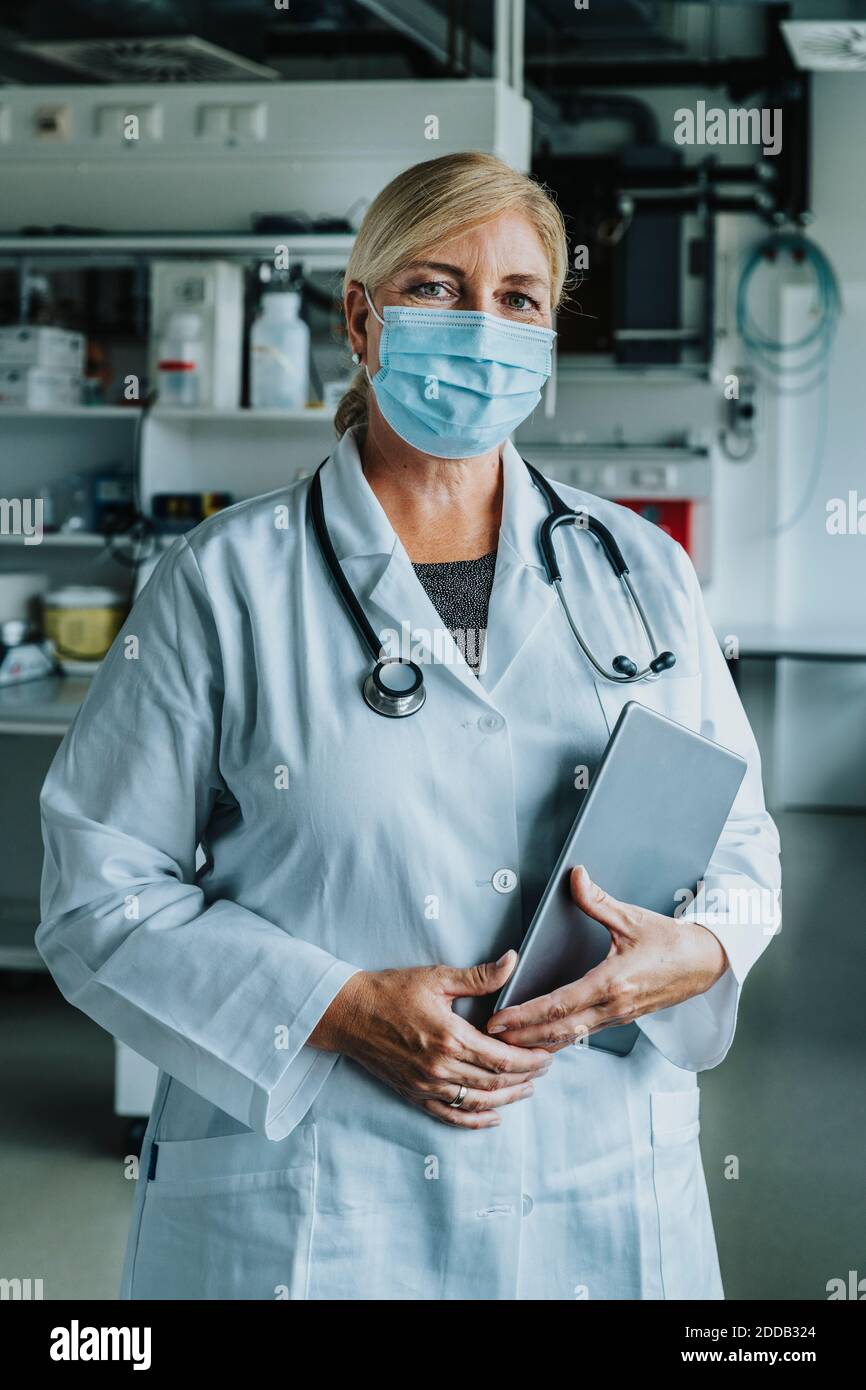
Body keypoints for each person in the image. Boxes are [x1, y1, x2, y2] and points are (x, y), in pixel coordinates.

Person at [37, 151, 780, 1301]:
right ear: (360, 316)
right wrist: (335, 1009)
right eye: (435, 287)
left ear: (545, 334)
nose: (480, 329)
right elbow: (97, 896)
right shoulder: (224, 581)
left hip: (591, 1168)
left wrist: (701, 949)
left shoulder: (639, 570)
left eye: (517, 300)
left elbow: (740, 847)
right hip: (320, 1191)